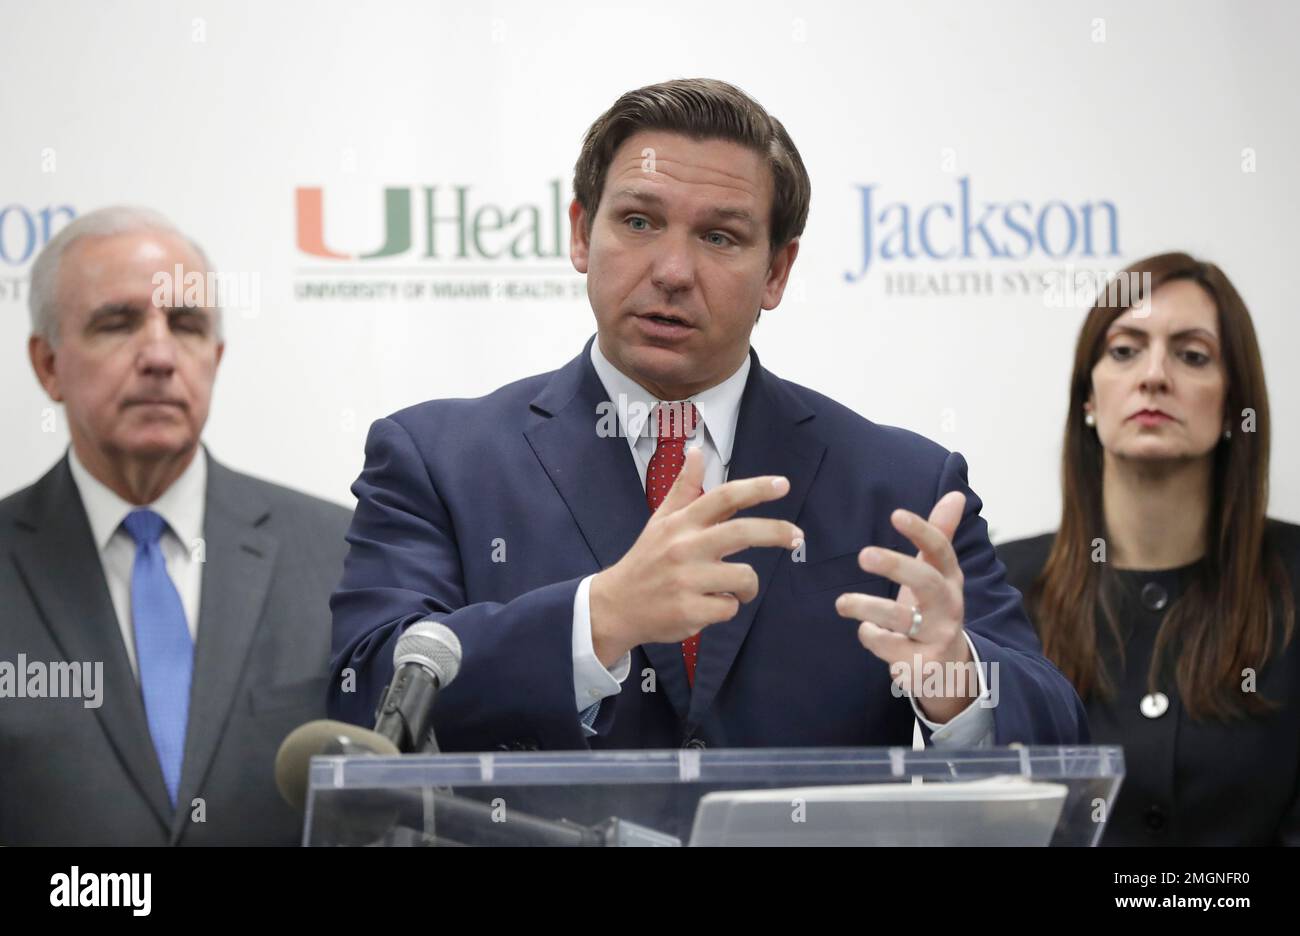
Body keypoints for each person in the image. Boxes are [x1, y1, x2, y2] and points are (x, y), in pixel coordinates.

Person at [331, 78, 1085, 755]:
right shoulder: (438, 459)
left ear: (778, 271)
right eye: (637, 221)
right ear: (578, 233)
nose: (671, 270)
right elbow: (365, 695)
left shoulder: (903, 483)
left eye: (719, 237)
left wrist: (956, 680)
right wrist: (598, 620)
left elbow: (1056, 724)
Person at [0, 207, 351, 845]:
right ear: (47, 364)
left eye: (185, 325)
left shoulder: (339, 555)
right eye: (118, 323)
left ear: (215, 357)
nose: (159, 355)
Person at [997, 252, 1299, 845]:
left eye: (1192, 356)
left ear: (1235, 404)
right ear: (1088, 397)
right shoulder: (1004, 588)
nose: (1154, 375)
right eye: (1125, 350)